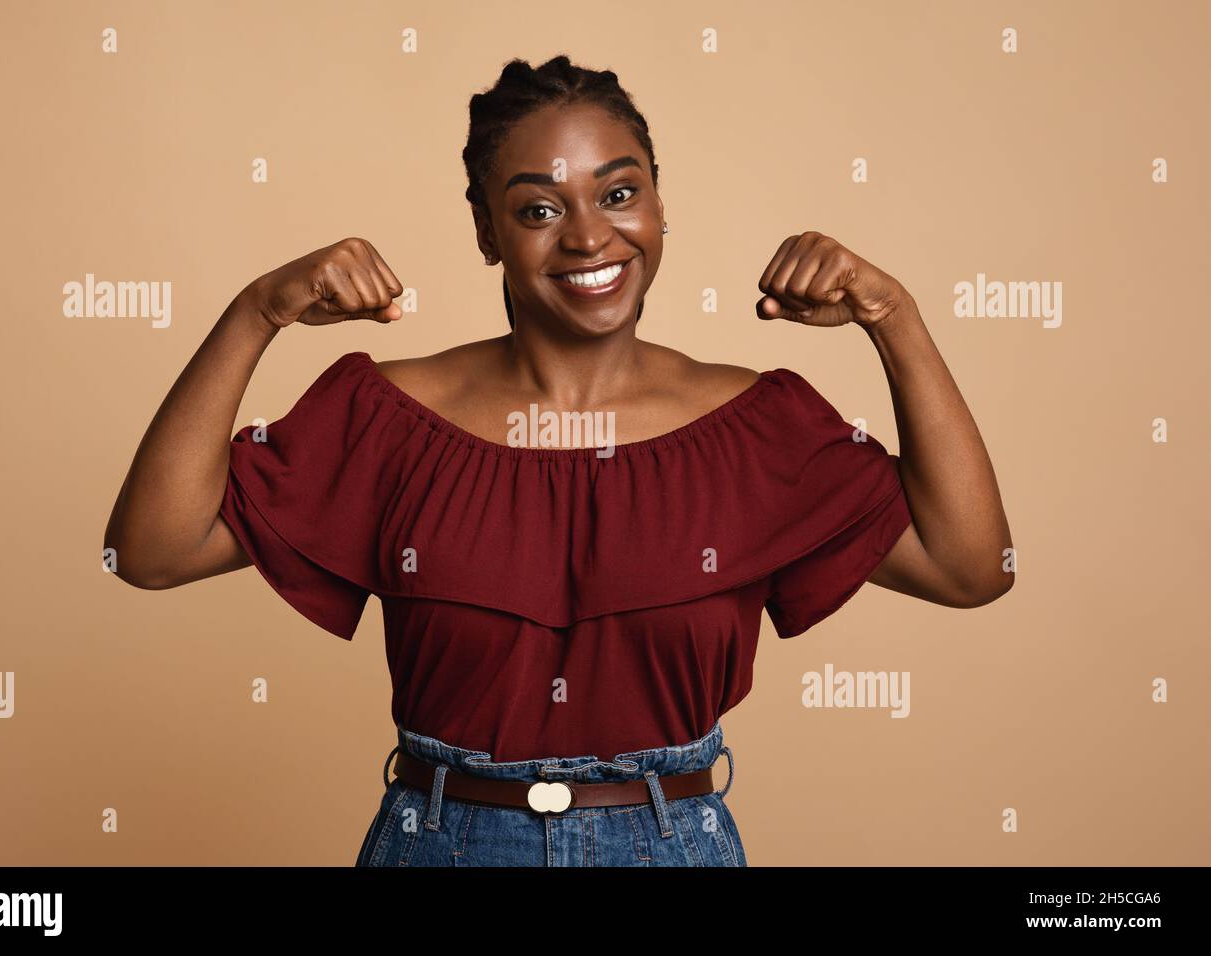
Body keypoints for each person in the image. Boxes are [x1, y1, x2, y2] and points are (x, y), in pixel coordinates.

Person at [104, 54, 1014, 867]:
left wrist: (893, 317)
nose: (587, 236)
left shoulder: (755, 424)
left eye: (619, 194)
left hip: (671, 843)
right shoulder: (386, 415)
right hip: (441, 841)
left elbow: (970, 566)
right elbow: (148, 551)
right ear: (486, 233)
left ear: (660, 202)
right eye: (539, 208)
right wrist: (256, 310)